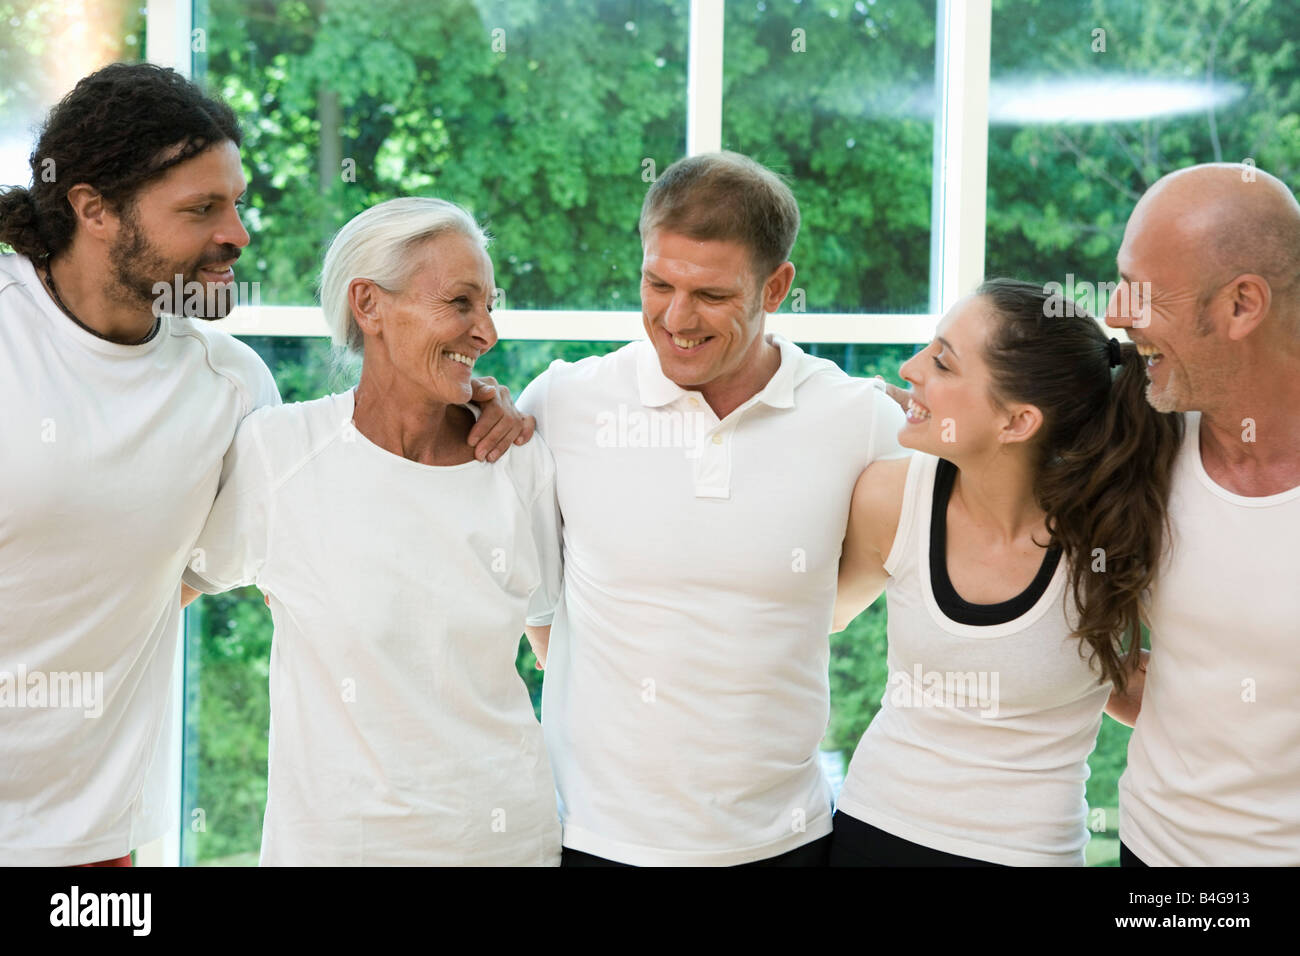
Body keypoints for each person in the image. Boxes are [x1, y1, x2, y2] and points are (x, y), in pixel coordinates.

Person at [0, 64, 526, 867]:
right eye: (201, 209)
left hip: (88, 834)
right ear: (93, 209)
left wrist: (466, 402)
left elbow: (169, 576)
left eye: (236, 203)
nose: (238, 234)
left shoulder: (232, 388)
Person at [517, 151, 907, 866]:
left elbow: (841, 595)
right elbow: (537, 603)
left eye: (712, 295)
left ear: (777, 286)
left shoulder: (858, 419)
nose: (677, 317)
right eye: (657, 283)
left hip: (786, 841)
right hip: (593, 839)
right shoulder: (563, 402)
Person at [182, 197, 563, 866]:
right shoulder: (280, 454)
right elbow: (156, 601)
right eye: (461, 303)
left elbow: (557, 649)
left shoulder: (516, 459)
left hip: (506, 843)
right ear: (368, 304)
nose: (486, 332)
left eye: (488, 305)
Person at [830, 279, 1183, 866]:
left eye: (943, 363)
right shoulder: (892, 498)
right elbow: (822, 618)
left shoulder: (1117, 534)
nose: (910, 369)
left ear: (1017, 421)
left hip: (1030, 854)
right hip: (874, 831)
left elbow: (1172, 699)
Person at [1103, 163, 1300, 866]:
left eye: (1141, 291)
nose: (1116, 313)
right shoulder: (1138, 443)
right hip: (1152, 860)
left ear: (1242, 305)